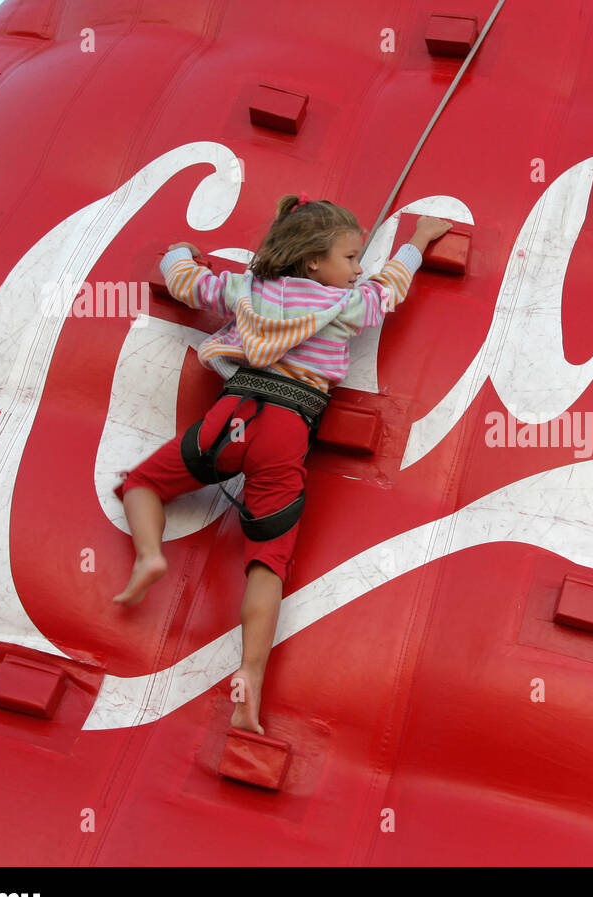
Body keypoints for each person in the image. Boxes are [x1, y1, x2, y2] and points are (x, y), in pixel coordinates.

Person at [111, 193, 452, 735]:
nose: (358, 266)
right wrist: (419, 240)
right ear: (315, 261)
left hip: (232, 416)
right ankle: (249, 680)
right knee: (268, 562)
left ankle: (149, 557)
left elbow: (185, 282)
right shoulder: (347, 306)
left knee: (142, 485)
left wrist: (180, 250)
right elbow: (391, 289)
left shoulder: (247, 289)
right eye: (349, 257)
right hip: (288, 429)